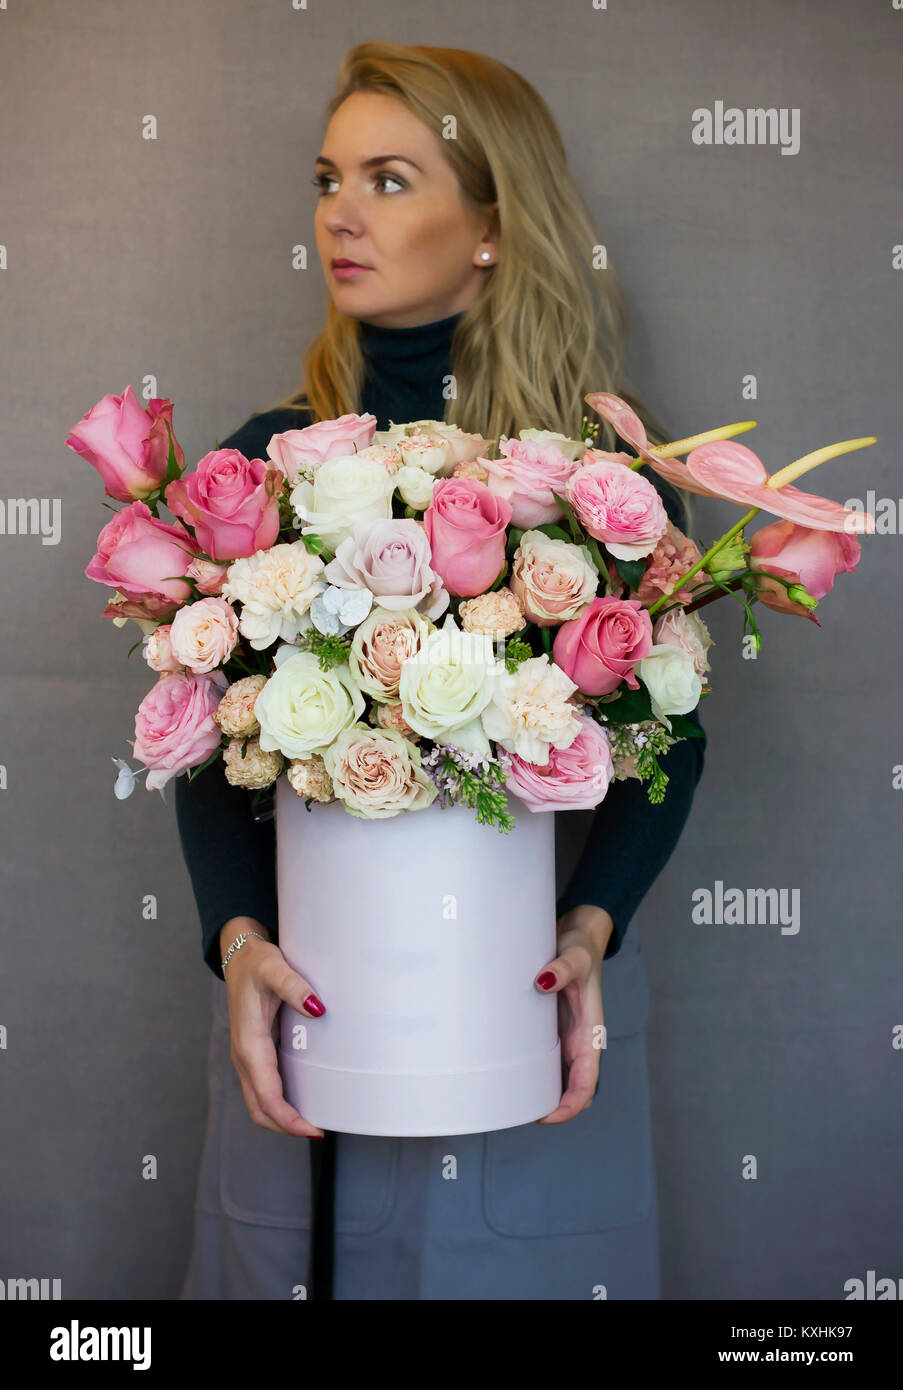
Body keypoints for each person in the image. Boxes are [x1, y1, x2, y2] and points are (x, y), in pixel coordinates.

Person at [175, 42, 707, 1301]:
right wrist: (236, 940)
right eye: (328, 178)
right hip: (309, 1017)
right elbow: (209, 739)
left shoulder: (599, 479)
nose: (339, 214)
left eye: (391, 179)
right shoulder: (261, 468)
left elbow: (668, 728)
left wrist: (591, 929)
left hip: (516, 1010)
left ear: (489, 226)